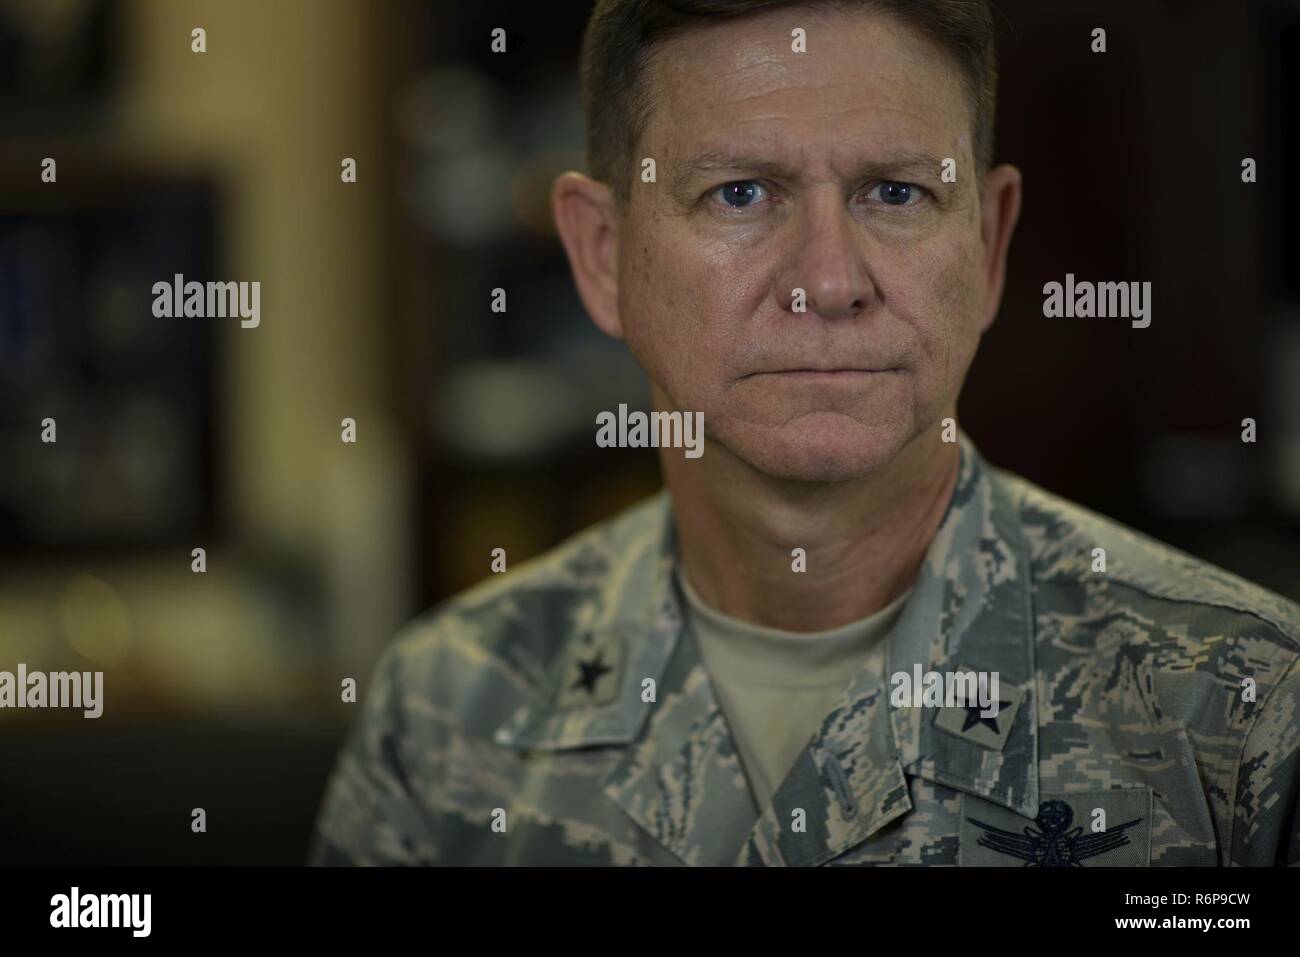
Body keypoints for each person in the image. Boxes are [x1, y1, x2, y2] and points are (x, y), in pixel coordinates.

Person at [310, 0, 1300, 866]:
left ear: (990, 247)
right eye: (740, 193)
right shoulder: (447, 712)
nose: (828, 280)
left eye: (895, 193)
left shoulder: (1241, 716)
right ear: (604, 256)